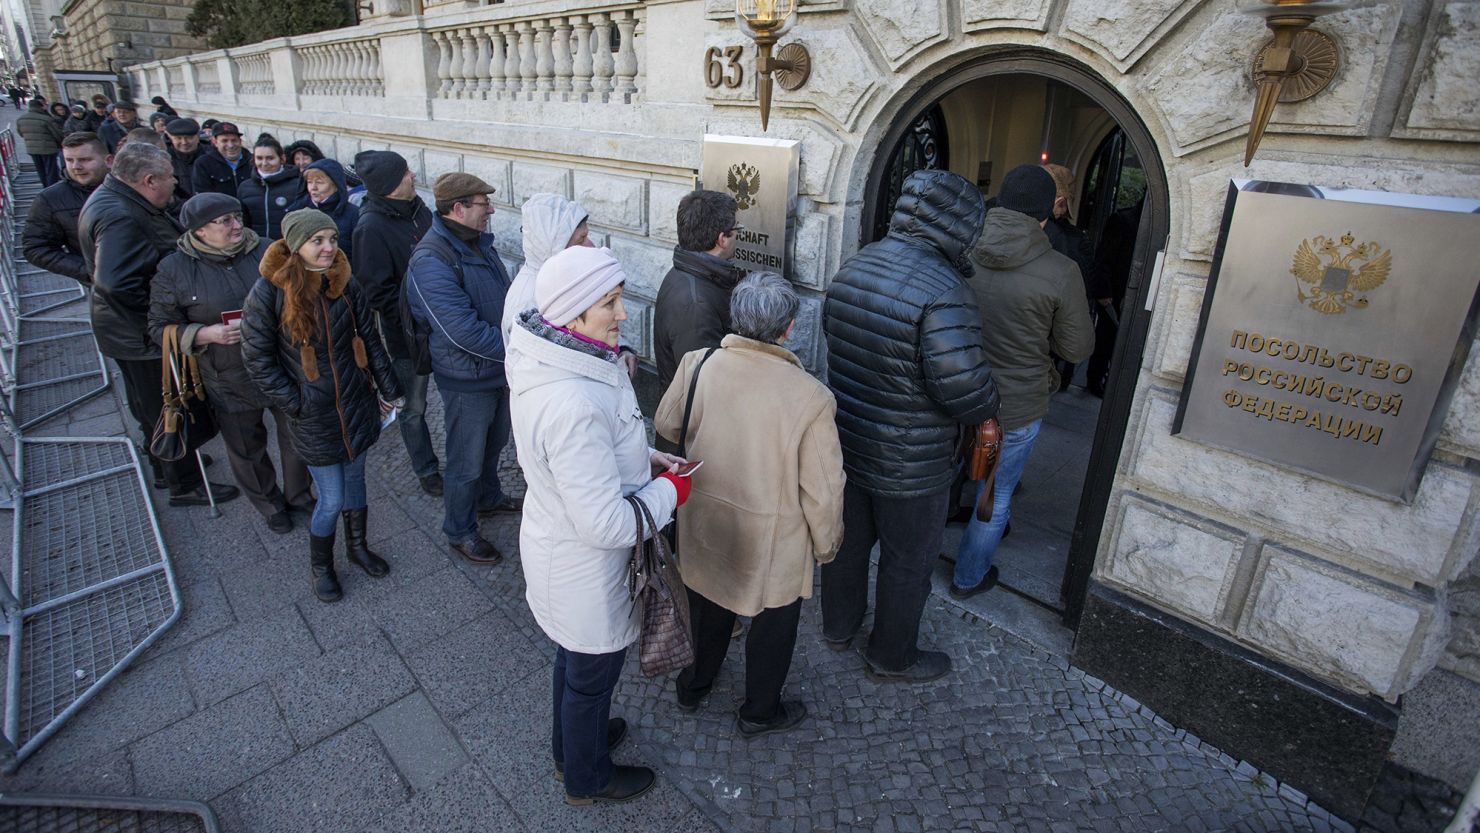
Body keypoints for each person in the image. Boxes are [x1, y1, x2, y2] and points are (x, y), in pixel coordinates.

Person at [506, 245, 686, 806]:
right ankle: (587, 777)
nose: (624, 314)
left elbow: (592, 458)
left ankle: (571, 747)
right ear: (572, 313)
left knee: (574, 660)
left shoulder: (562, 359)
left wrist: (644, 460)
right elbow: (607, 523)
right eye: (610, 303)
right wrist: (673, 491)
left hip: (562, 549)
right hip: (585, 567)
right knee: (591, 673)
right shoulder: (573, 400)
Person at [820, 168, 1000, 683]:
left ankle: (838, 627)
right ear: (962, 224)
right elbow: (965, 391)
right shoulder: (946, 291)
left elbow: (834, 338)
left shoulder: (858, 264)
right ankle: (891, 654)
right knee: (906, 562)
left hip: (850, 441)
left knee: (847, 546)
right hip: (912, 464)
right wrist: (993, 399)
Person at [655, 271, 845, 736]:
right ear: (788, 329)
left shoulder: (699, 364)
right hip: (773, 537)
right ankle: (760, 711)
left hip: (707, 518)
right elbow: (823, 488)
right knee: (774, 627)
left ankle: (694, 685)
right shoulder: (811, 397)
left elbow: (665, 424)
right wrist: (827, 545)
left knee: (706, 606)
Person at [240, 209, 405, 602]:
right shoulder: (268, 291)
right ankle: (322, 567)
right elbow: (256, 358)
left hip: (355, 403)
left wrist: (389, 389)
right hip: (313, 414)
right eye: (318, 241)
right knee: (330, 498)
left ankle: (358, 547)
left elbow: (371, 338)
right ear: (297, 246)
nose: (329, 248)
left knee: (356, 484)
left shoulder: (343, 284)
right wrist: (296, 402)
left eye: (332, 239)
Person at [950, 165, 1095, 598]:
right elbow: (1076, 349)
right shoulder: (1061, 270)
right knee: (995, 496)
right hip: (1015, 403)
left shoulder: (960, 246)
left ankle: (914, 562)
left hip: (953, 386)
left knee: (941, 475)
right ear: (1046, 215)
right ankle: (968, 577)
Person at [79, 143, 241, 506]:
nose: (173, 183)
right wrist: (160, 324)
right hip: (138, 335)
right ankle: (183, 481)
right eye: (170, 177)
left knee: (149, 403)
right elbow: (116, 284)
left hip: (124, 331)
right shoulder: (121, 214)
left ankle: (166, 460)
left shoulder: (118, 200)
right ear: (149, 180)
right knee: (166, 404)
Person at [150, 194, 314, 534]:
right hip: (227, 373)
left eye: (237, 216)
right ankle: (270, 505)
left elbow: (303, 294)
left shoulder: (270, 249)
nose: (237, 225)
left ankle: (299, 495)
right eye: (224, 221)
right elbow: (157, 327)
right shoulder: (174, 269)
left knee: (297, 434)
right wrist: (204, 333)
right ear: (198, 231)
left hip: (281, 364)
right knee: (245, 446)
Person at [405, 173, 517, 565]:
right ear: (459, 209)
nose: (491, 210)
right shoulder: (431, 259)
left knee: (493, 444)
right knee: (466, 460)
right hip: (467, 379)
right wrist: (518, 351)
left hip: (496, 371)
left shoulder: (478, 244)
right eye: (484, 204)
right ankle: (460, 530)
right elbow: (462, 333)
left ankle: (488, 499)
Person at [350, 150, 441, 495]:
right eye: (405, 173)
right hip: (409, 338)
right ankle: (426, 468)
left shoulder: (420, 209)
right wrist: (418, 318)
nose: (413, 175)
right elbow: (378, 293)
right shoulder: (369, 228)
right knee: (414, 406)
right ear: (389, 184)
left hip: (443, 328)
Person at [652, 189, 745, 398]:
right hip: (694, 427)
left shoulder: (687, 272)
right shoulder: (695, 304)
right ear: (722, 239)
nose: (739, 234)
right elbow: (704, 388)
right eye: (737, 228)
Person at [22, 131, 110, 285]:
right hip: (103, 288)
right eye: (69, 160)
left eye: (85, 160)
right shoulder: (50, 199)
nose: (76, 167)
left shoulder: (130, 186)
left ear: (108, 160)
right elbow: (36, 248)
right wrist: (89, 271)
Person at [288, 159, 359, 256]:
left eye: (320, 182)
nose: (313, 187)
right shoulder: (297, 210)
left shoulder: (353, 214)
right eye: (309, 182)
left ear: (336, 185)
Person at [237, 134, 302, 240]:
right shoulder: (245, 187)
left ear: (282, 158)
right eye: (259, 158)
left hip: (288, 247)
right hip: (256, 247)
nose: (264, 163)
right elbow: (243, 222)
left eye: (270, 158)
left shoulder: (297, 185)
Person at [192, 122, 253, 198]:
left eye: (234, 140)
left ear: (240, 141)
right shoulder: (203, 164)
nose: (230, 145)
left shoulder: (253, 161)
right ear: (215, 142)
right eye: (224, 141)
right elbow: (203, 197)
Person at [16, 99, 64, 187]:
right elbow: (57, 134)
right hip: (48, 148)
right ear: (40, 107)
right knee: (51, 170)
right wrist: (60, 143)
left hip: (32, 149)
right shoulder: (46, 119)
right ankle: (52, 189)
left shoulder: (20, 119)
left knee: (40, 170)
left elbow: (20, 133)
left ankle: (45, 187)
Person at [165, 118, 205, 202]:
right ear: (170, 138)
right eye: (178, 138)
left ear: (197, 136)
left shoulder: (210, 156)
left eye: (189, 138)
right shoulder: (165, 159)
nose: (184, 142)